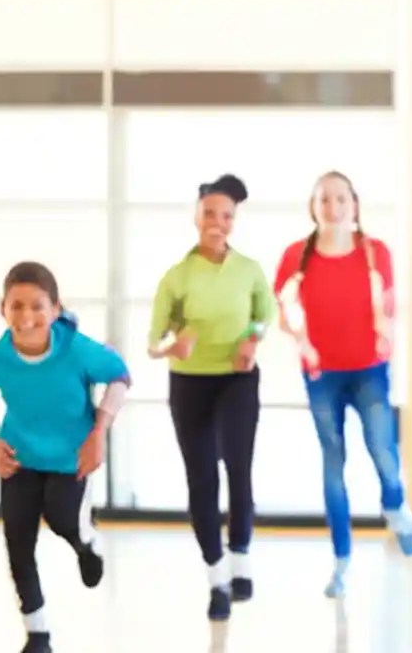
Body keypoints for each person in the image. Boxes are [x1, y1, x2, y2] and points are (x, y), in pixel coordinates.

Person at [272, 171, 412, 599]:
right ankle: (340, 562)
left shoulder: (376, 252)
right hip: (321, 377)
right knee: (333, 463)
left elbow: (389, 303)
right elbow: (280, 307)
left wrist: (387, 333)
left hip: (369, 370)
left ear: (354, 205)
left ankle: (395, 506)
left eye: (340, 199)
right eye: (324, 199)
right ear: (313, 207)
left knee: (382, 449)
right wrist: (301, 341)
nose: (333, 207)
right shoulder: (294, 256)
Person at [0, 261, 131, 653]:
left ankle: (84, 542)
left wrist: (98, 432)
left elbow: (120, 375)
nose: (26, 317)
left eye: (37, 306)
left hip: (71, 458)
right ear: (2, 309)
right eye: (16, 306)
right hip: (19, 458)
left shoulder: (76, 348)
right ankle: (37, 633)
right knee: (17, 543)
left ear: (55, 309)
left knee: (61, 519)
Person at [147, 173, 277, 621]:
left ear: (234, 221)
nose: (217, 222)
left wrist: (251, 340)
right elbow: (153, 340)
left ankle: (241, 562)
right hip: (189, 384)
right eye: (209, 214)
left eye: (226, 215)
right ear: (196, 217)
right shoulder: (176, 277)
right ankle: (217, 578)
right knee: (202, 478)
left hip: (238, 379)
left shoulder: (249, 270)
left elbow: (266, 314)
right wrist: (172, 346)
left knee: (238, 469)